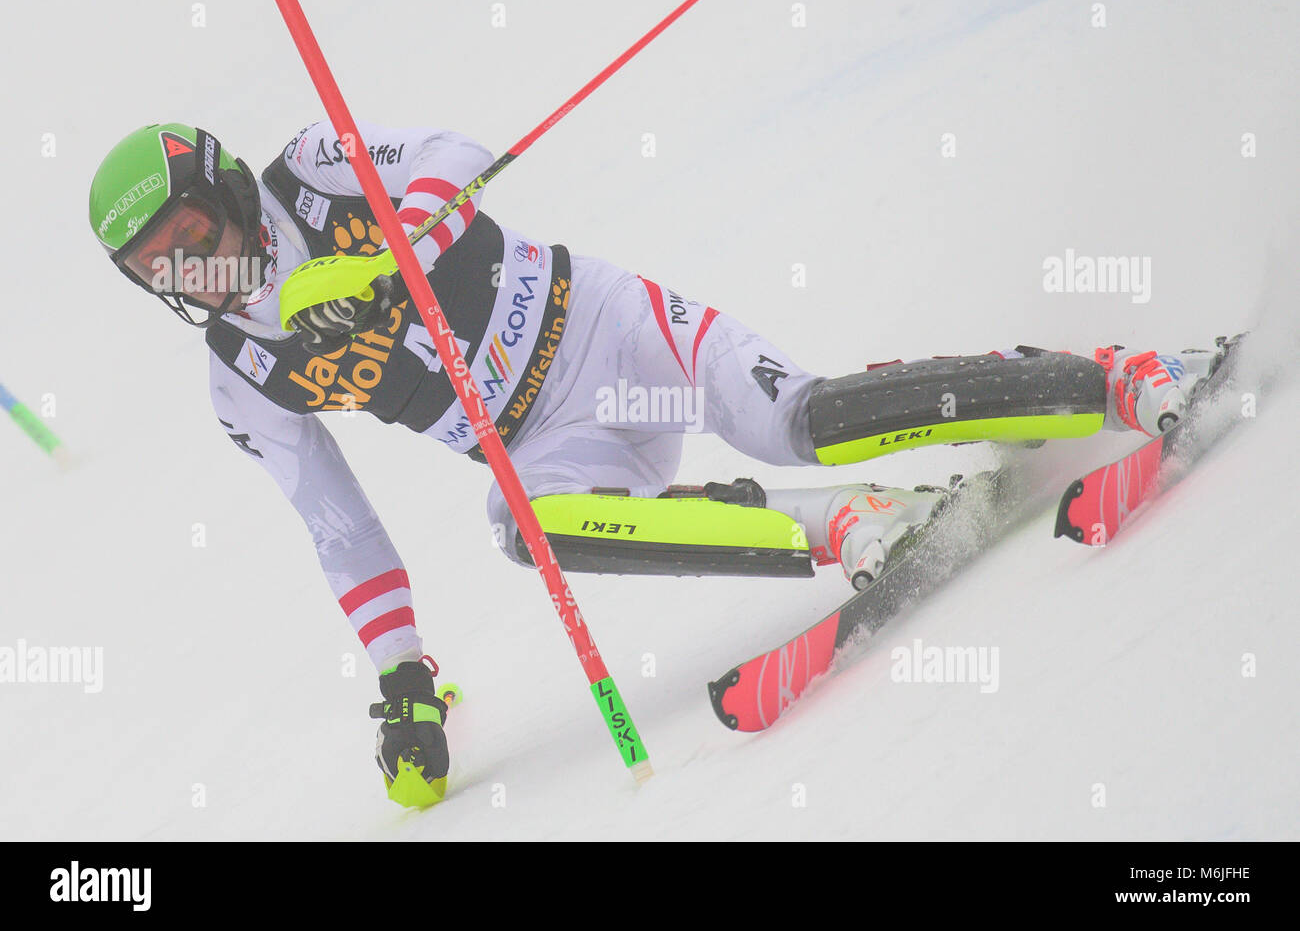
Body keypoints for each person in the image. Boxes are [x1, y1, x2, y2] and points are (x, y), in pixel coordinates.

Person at [88, 120, 1215, 804]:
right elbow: (338, 527)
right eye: (163, 275)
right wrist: (401, 685)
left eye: (195, 242)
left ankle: (1103, 375)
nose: (200, 279)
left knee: (795, 421)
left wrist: (391, 242)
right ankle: (857, 521)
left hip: (603, 328)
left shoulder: (307, 172)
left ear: (228, 194)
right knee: (519, 523)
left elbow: (453, 155)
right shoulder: (238, 373)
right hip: (548, 443)